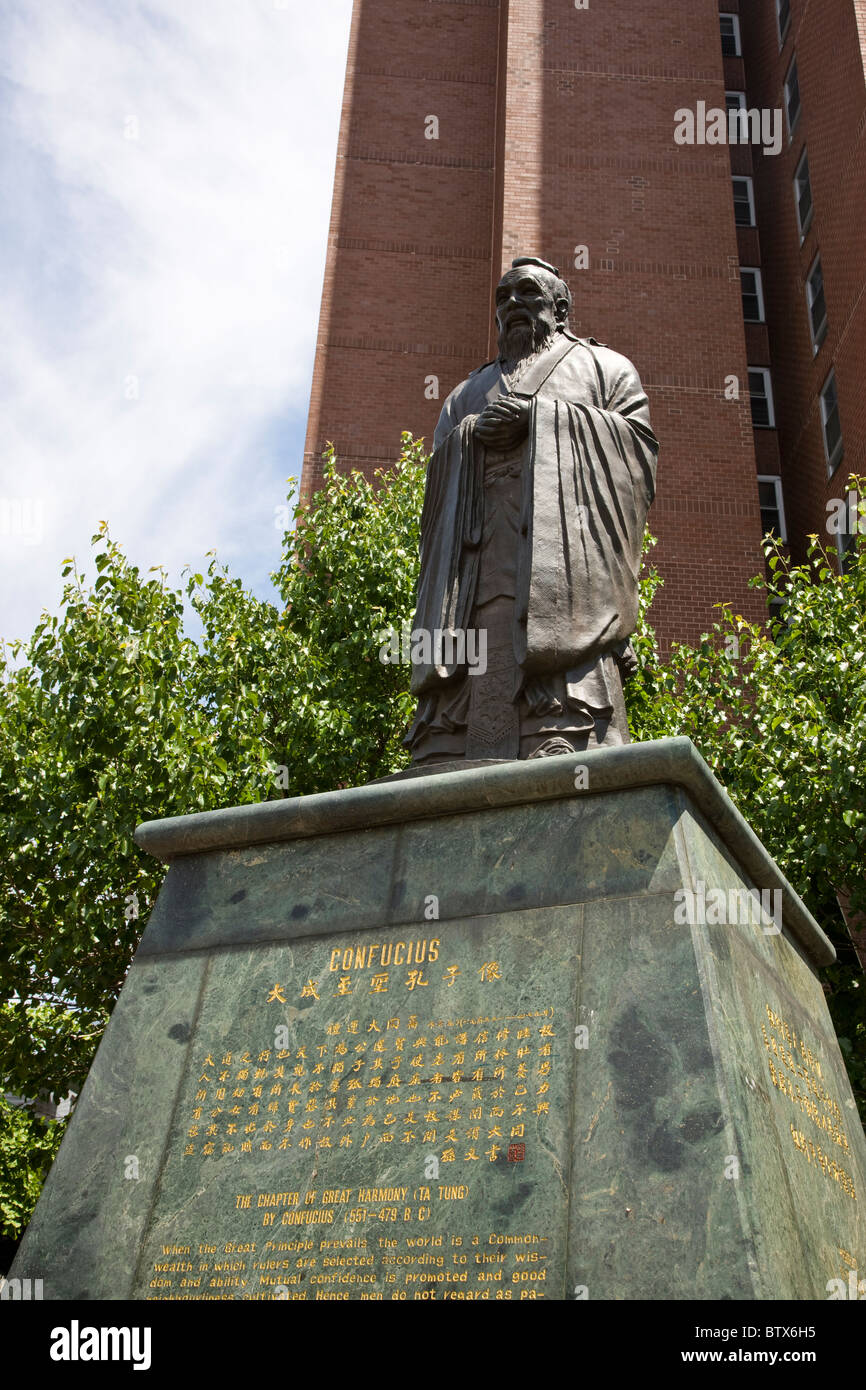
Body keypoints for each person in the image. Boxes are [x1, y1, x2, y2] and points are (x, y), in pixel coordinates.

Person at [405, 255, 659, 763]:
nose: (512, 305)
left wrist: (541, 420)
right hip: (477, 558)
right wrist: (473, 435)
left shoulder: (604, 369)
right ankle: (454, 741)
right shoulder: (465, 395)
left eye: (526, 293)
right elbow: (437, 486)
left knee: (561, 720)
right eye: (503, 298)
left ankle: (560, 722)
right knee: (460, 715)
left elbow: (638, 454)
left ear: (560, 309)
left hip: (559, 560)